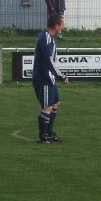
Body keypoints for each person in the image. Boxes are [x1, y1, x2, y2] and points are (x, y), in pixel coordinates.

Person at [33, 14, 69, 143]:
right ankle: (42, 136)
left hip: (50, 77)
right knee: (47, 106)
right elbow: (48, 61)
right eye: (62, 24)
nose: (63, 27)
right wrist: (61, 75)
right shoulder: (45, 38)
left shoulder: (49, 38)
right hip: (44, 77)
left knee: (55, 103)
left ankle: (49, 132)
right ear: (56, 26)